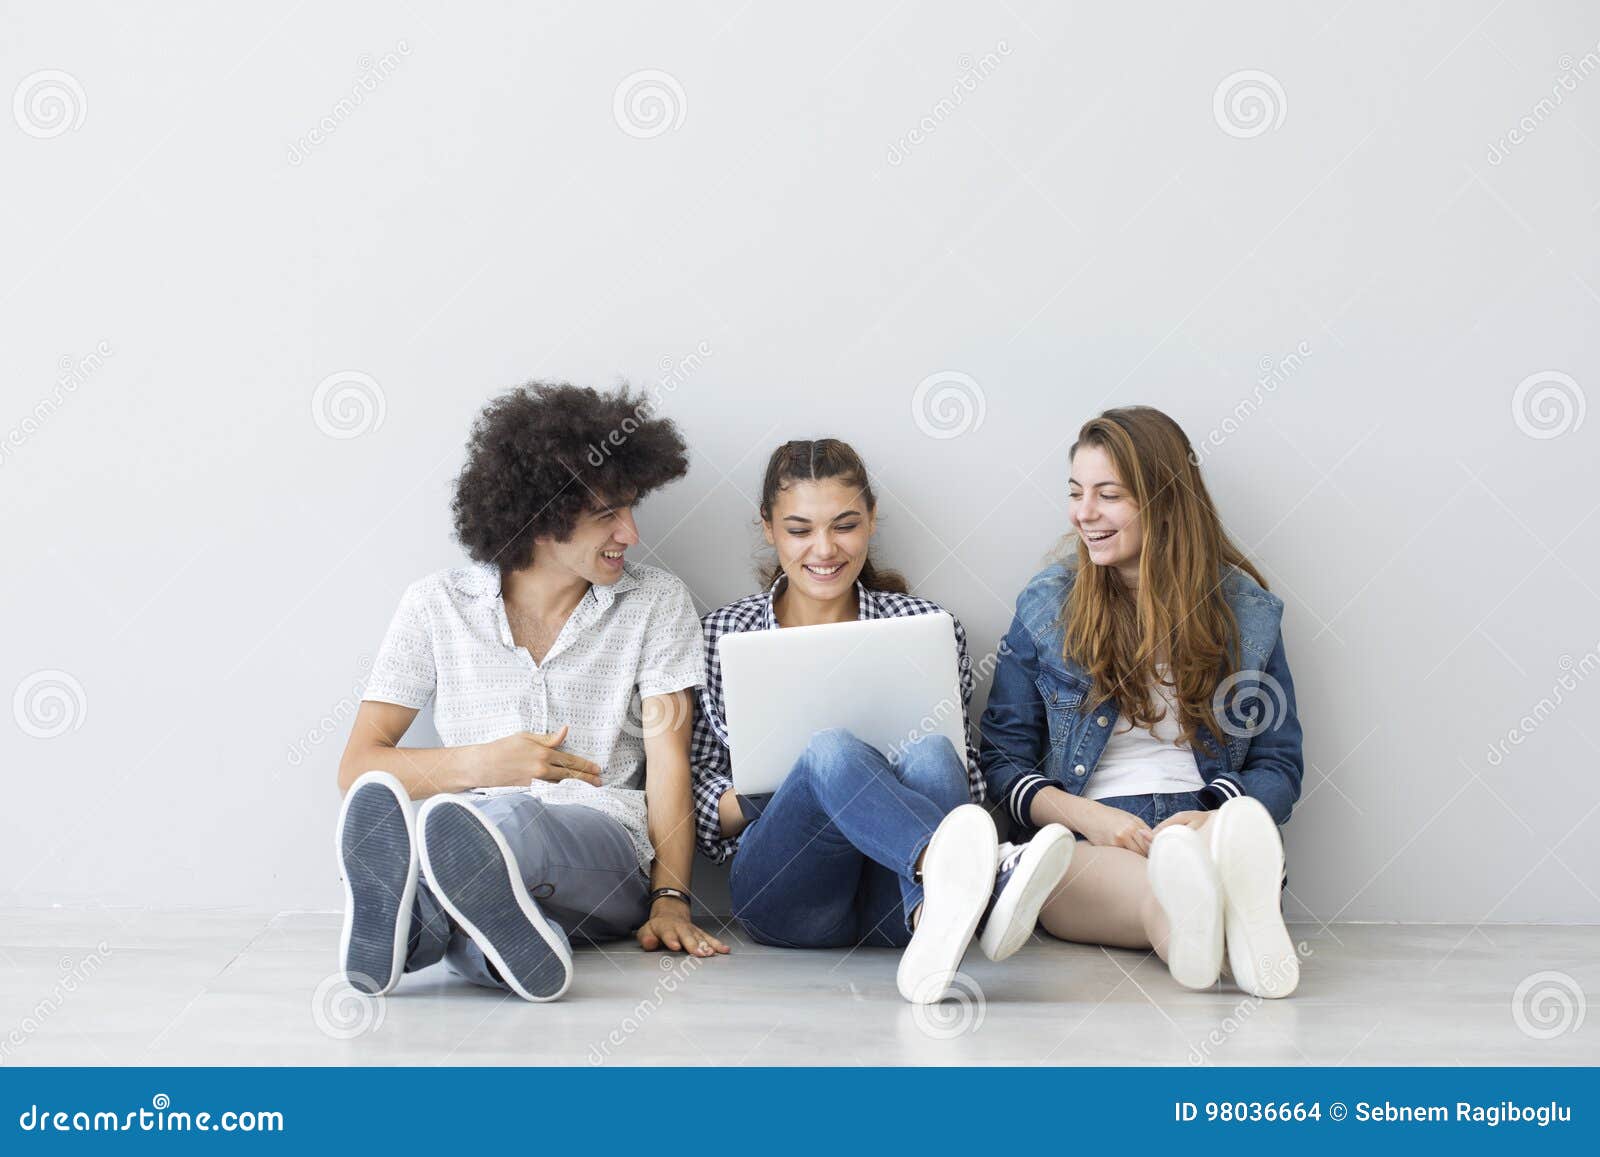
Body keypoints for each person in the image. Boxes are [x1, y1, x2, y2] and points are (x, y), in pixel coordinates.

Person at [334, 382, 727, 1004]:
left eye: (630, 508)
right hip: (472, 822)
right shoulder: (435, 605)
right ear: (542, 521)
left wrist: (672, 898)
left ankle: (416, 917)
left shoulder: (656, 602)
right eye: (607, 515)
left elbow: (670, 764)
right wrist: (484, 763)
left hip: (606, 849)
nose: (631, 532)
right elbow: (360, 768)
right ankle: (490, 946)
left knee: (502, 822)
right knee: (485, 848)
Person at [690, 438, 1075, 1005]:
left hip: (895, 905)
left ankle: (933, 915)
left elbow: (962, 781)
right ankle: (976, 877)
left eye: (844, 525)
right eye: (799, 530)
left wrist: (866, 783)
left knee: (929, 754)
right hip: (788, 899)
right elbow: (698, 809)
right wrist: (813, 782)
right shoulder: (723, 633)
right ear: (769, 529)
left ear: (871, 521)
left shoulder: (928, 626)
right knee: (830, 751)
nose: (824, 549)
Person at [980, 406, 1304, 998]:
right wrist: (1087, 818)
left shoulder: (1245, 610)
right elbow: (1002, 762)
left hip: (1209, 822)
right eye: (1076, 493)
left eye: (1109, 495)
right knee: (1112, 882)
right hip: (1092, 837)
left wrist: (1213, 812)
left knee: (1218, 851)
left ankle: (1208, 919)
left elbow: (1278, 766)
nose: (1085, 513)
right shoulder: (1048, 605)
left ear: (1164, 500)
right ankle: (1222, 927)